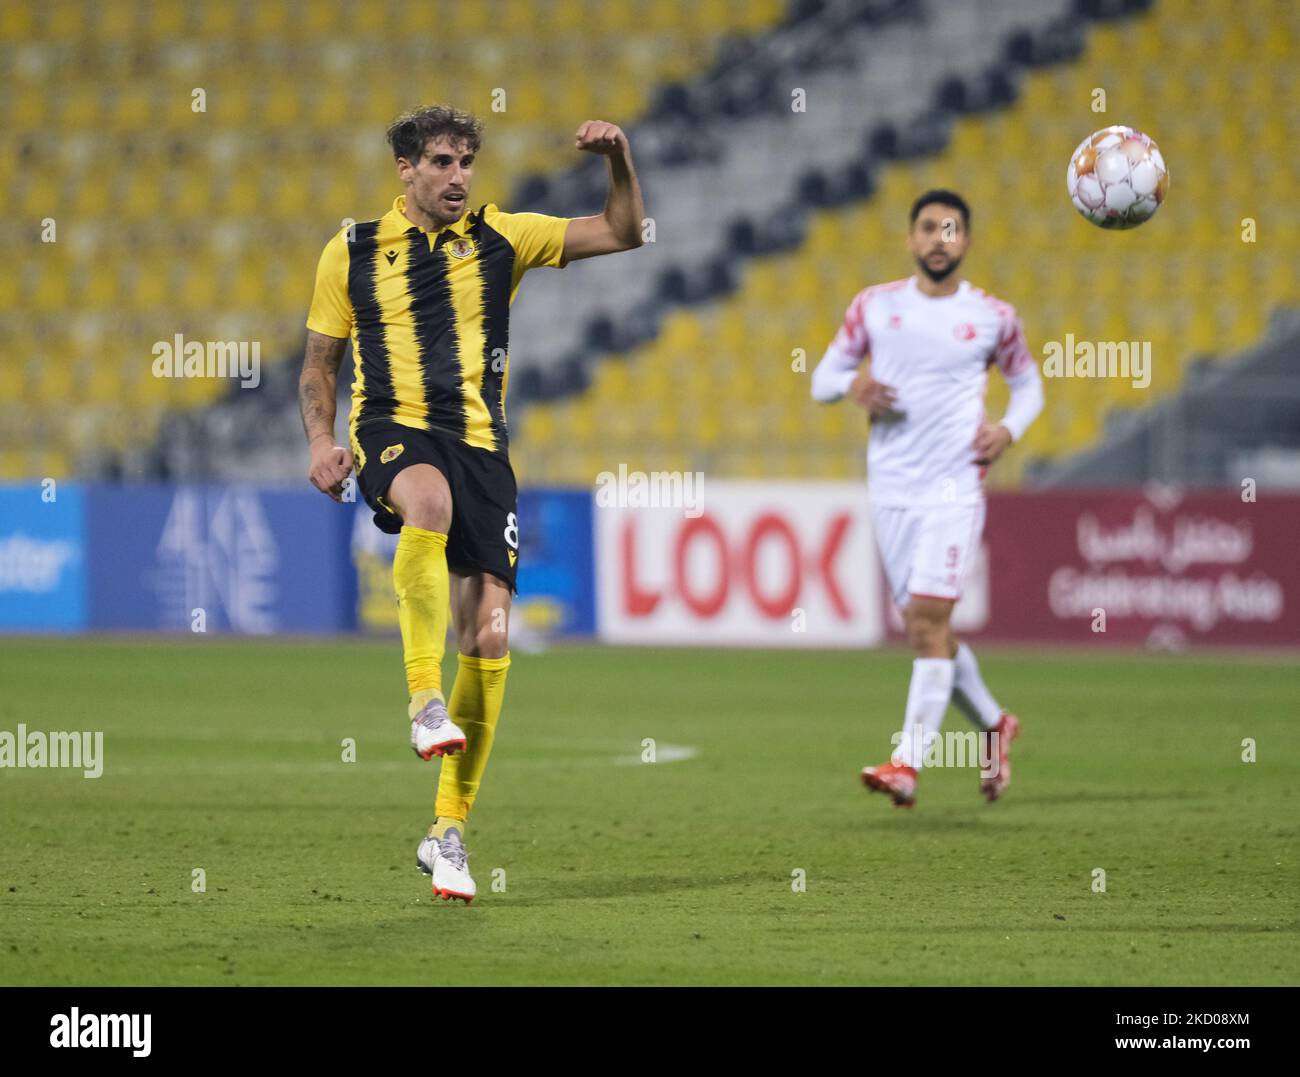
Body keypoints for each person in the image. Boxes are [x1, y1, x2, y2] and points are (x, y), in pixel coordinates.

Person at [299, 105, 644, 898]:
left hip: (483, 451)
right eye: (443, 162)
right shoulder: (351, 250)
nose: (457, 177)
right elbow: (318, 366)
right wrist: (322, 443)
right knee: (427, 505)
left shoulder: (505, 237)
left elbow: (623, 230)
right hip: (393, 429)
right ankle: (423, 698)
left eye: (465, 163)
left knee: (488, 639)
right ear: (406, 170)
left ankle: (447, 833)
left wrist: (619, 158)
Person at [811, 189, 1043, 807]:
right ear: (911, 238)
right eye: (928, 228)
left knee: (926, 626)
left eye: (951, 229)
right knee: (925, 628)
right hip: (891, 489)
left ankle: (906, 764)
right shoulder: (875, 307)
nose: (939, 239)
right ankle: (995, 726)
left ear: (965, 241)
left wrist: (1008, 430)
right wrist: (853, 384)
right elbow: (821, 378)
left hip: (955, 487)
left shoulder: (994, 316)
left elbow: (1029, 387)